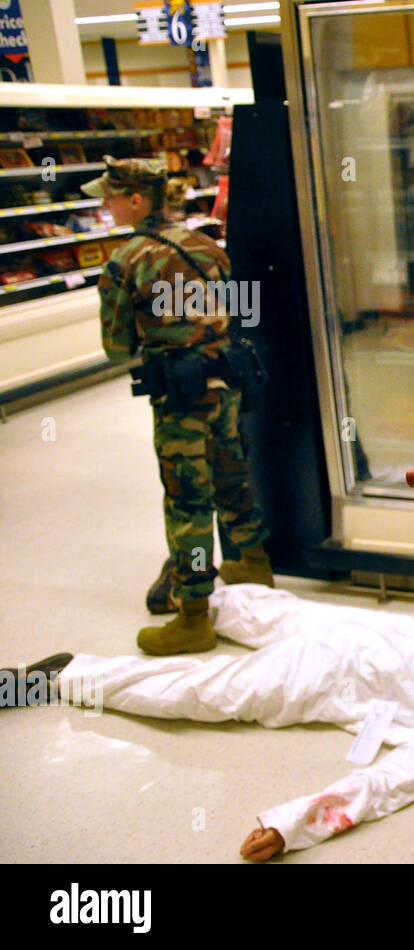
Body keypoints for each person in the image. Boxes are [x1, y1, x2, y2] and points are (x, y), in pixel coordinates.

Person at [1, 584, 414, 861]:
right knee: (249, 603)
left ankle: (62, 676)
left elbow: (396, 779)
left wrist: (293, 826)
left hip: (325, 681)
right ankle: (193, 595)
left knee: (210, 691)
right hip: (347, 629)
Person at [84, 157, 273, 654]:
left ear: (137, 201)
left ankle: (193, 615)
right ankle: (254, 563)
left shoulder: (126, 261)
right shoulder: (209, 246)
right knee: (232, 471)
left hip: (180, 397)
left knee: (187, 500)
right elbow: (240, 311)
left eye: (111, 196)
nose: (105, 205)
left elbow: (117, 348)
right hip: (226, 382)